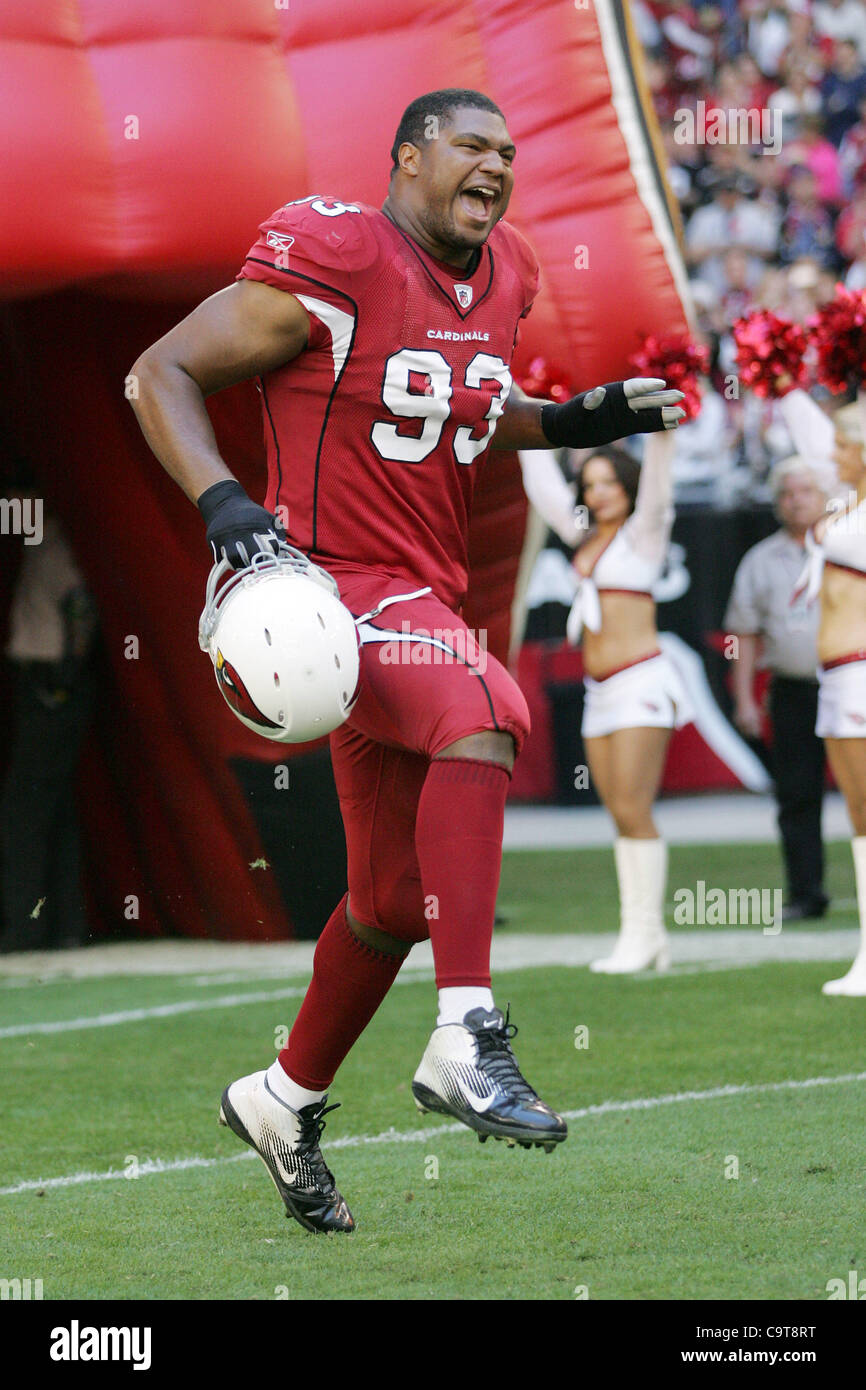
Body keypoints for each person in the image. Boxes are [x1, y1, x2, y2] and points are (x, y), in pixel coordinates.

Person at [127, 88, 685, 1232]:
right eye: (472, 146)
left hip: (412, 592)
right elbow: (159, 373)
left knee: (387, 899)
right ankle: (465, 1033)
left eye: (509, 153)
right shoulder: (338, 251)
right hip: (319, 586)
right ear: (407, 157)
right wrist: (224, 502)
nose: (496, 167)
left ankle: (282, 1096)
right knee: (484, 705)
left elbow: (457, 402)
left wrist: (567, 421)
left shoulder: (509, 270)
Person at [565, 430, 691, 973]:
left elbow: (660, 487)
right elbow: (541, 481)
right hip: (600, 694)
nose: (599, 493)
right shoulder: (582, 536)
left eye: (610, 482)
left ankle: (643, 935)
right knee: (618, 811)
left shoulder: (645, 535)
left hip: (641, 682)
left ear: (627, 486)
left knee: (635, 809)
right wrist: (516, 402)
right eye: (590, 485)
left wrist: (662, 432)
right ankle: (643, 935)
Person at [779, 388, 866, 993]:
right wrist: (779, 380)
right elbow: (812, 442)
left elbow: (814, 445)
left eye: (844, 445)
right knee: (858, 820)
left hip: (861, 671)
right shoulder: (848, 503)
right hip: (836, 677)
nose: (832, 453)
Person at [724, 454, 831, 921]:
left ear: (826, 497)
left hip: (851, 684)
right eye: (787, 493)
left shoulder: (848, 548)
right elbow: (743, 634)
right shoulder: (761, 559)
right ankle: (807, 892)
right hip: (793, 690)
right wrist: (745, 698)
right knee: (796, 793)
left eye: (806, 490)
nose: (796, 500)